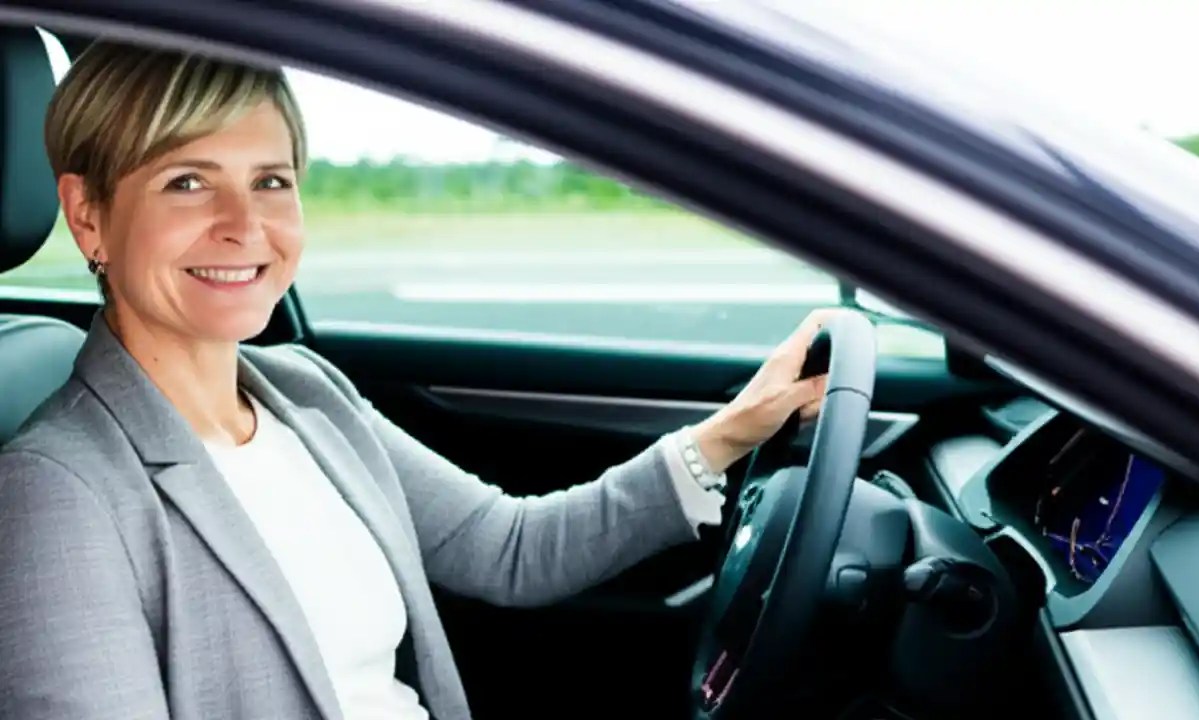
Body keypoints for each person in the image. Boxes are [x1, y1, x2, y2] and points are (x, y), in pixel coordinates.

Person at [0, 40, 835, 720]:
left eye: (271, 182)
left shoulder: (305, 392)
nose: (244, 226)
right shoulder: (56, 493)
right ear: (89, 215)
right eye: (188, 182)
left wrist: (736, 429)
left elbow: (510, 548)